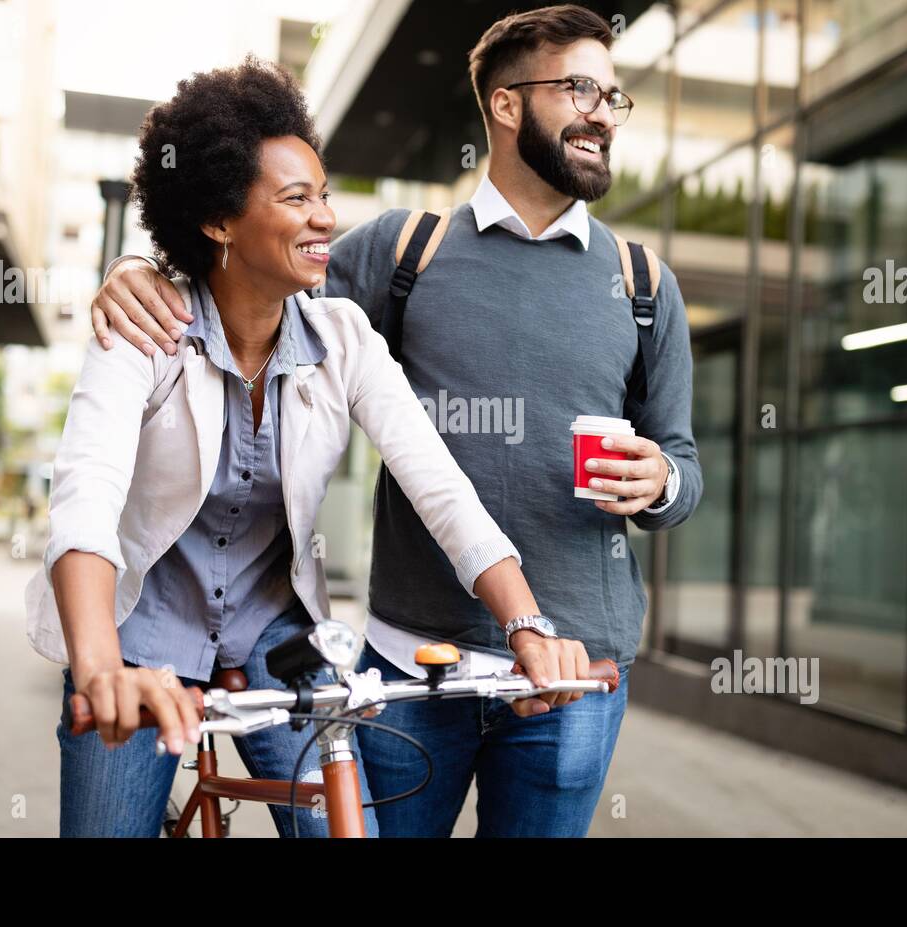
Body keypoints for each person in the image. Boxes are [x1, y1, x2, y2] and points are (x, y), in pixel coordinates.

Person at [90, 4, 703, 837]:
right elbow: (243, 280)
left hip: (576, 666)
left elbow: (682, 460)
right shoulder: (403, 252)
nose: (602, 110)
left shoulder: (643, 283)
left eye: (613, 95)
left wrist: (663, 479)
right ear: (508, 105)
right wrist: (139, 266)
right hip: (411, 663)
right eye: (580, 87)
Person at [25, 56, 589, 838]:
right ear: (219, 221)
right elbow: (84, 494)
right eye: (296, 198)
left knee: (343, 826)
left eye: (323, 195)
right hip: (140, 634)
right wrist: (98, 667)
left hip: (274, 635)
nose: (325, 216)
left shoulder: (342, 335)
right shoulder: (147, 330)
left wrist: (528, 624)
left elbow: (439, 486)